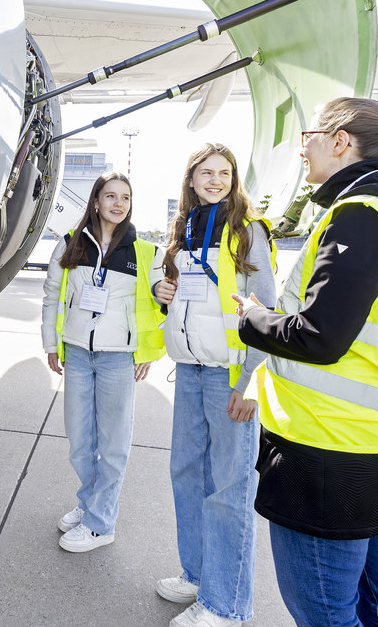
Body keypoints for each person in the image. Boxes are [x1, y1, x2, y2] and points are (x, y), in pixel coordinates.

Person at [233, 98, 378, 627]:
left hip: (331, 452)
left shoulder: (360, 217)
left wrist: (253, 317)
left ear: (340, 141)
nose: (301, 147)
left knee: (325, 612)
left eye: (309, 134)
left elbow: (319, 337)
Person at [149, 143, 276, 627]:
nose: (216, 180)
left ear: (234, 180)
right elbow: (186, 300)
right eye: (207, 173)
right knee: (187, 474)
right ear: (192, 179)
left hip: (229, 376)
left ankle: (227, 605)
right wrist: (164, 296)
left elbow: (265, 310)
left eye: (224, 173)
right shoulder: (183, 232)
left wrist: (248, 384)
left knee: (229, 489)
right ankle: (199, 576)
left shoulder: (247, 233)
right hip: (189, 370)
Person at [41, 171, 165, 553]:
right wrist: (51, 344)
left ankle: (100, 523)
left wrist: (146, 352)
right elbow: (51, 298)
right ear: (95, 202)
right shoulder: (69, 246)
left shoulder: (145, 253)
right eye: (110, 196)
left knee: (113, 444)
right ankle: (89, 502)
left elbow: (157, 305)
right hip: (77, 353)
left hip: (117, 359)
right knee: (80, 441)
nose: (117, 203)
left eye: (124, 197)